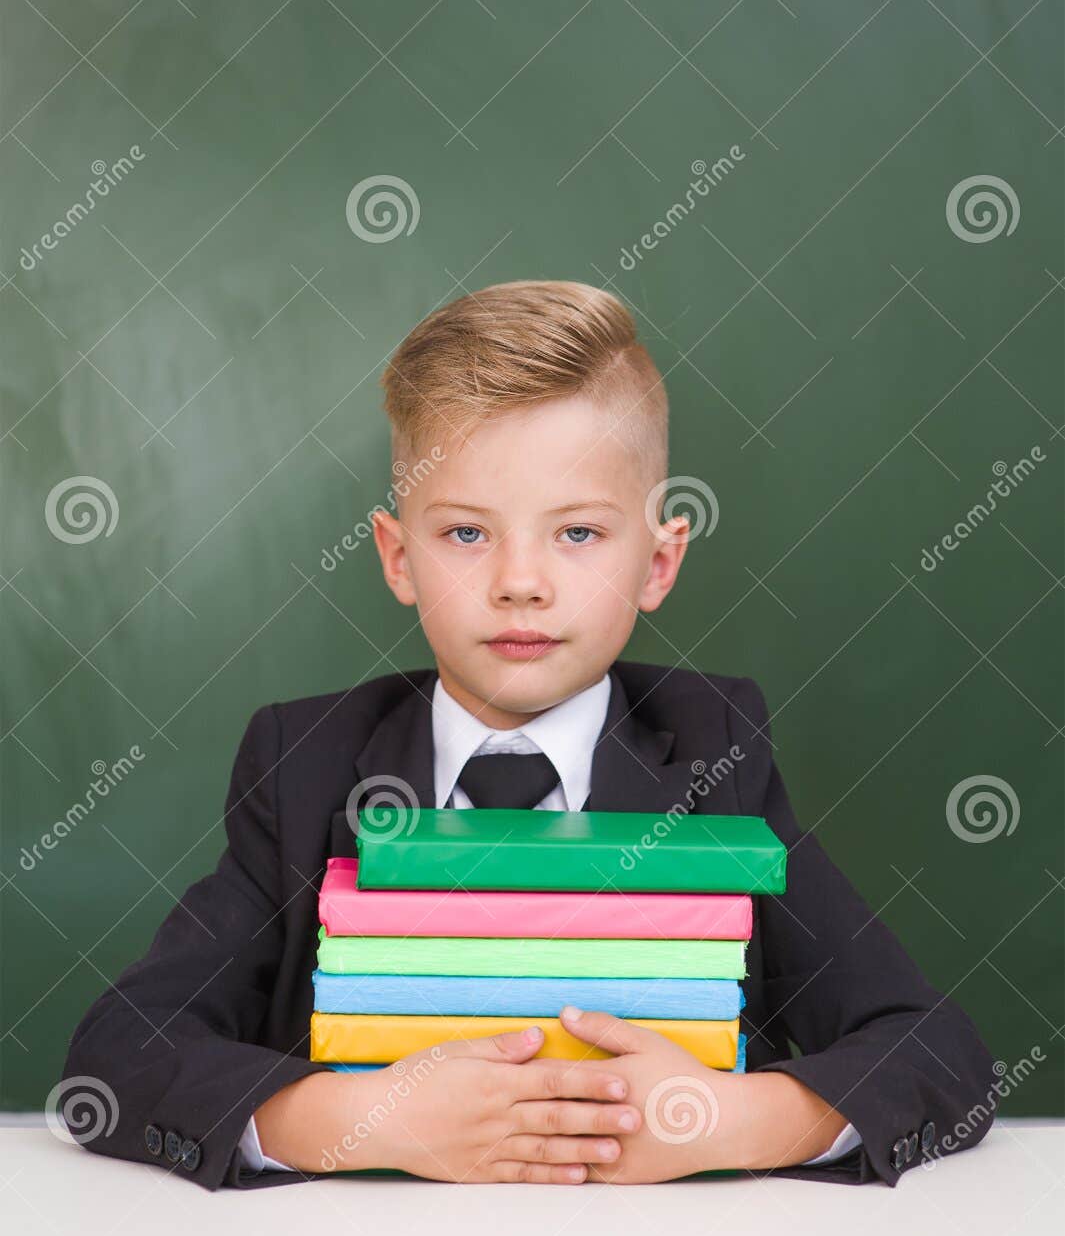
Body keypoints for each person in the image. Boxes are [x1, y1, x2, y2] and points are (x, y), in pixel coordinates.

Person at [60, 280, 996, 1190]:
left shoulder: (713, 752)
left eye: (578, 535)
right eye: (466, 534)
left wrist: (727, 1119)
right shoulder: (303, 765)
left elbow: (932, 1047)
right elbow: (119, 1054)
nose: (519, 582)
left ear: (658, 561)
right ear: (397, 557)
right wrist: (360, 1122)